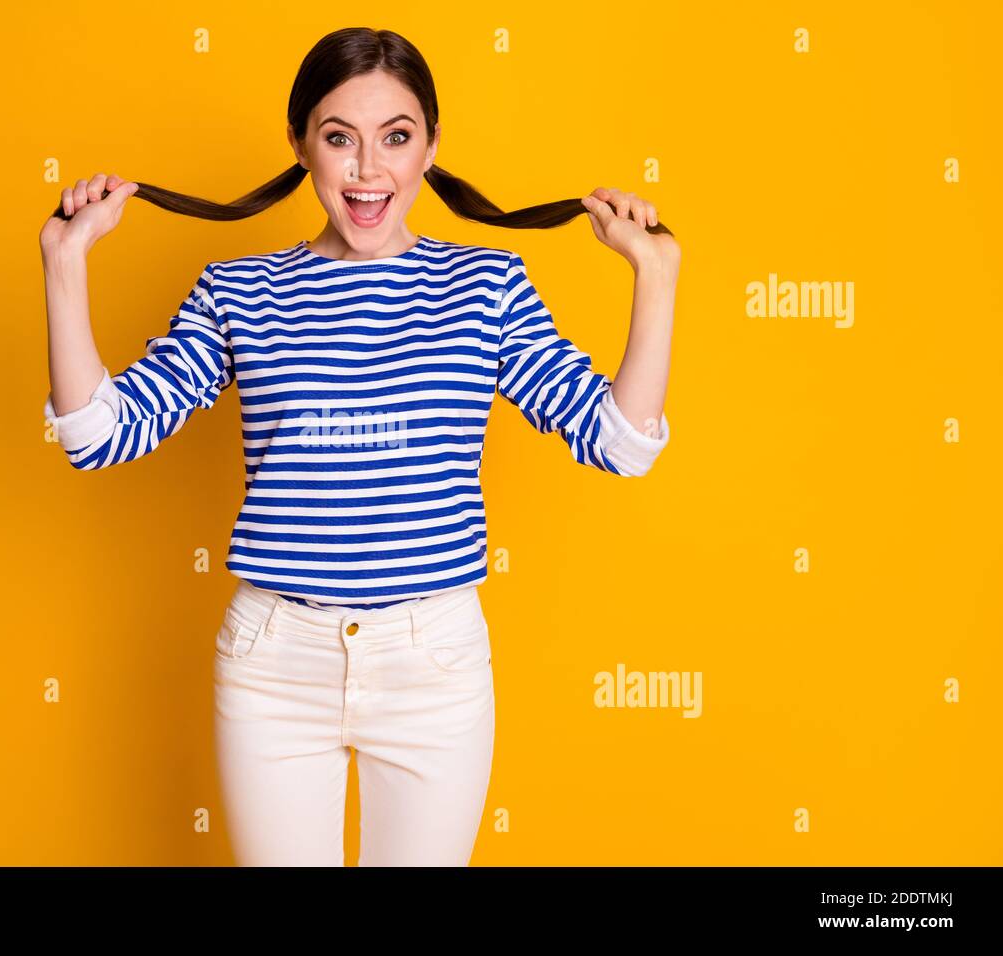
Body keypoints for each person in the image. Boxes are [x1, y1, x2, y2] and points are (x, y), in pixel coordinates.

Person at [37, 27, 680, 866]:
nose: (368, 170)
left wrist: (656, 278)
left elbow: (618, 444)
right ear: (301, 145)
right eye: (339, 138)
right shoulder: (240, 289)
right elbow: (103, 435)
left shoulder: (487, 286)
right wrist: (64, 263)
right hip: (274, 664)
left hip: (434, 665)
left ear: (432, 147)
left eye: (397, 138)